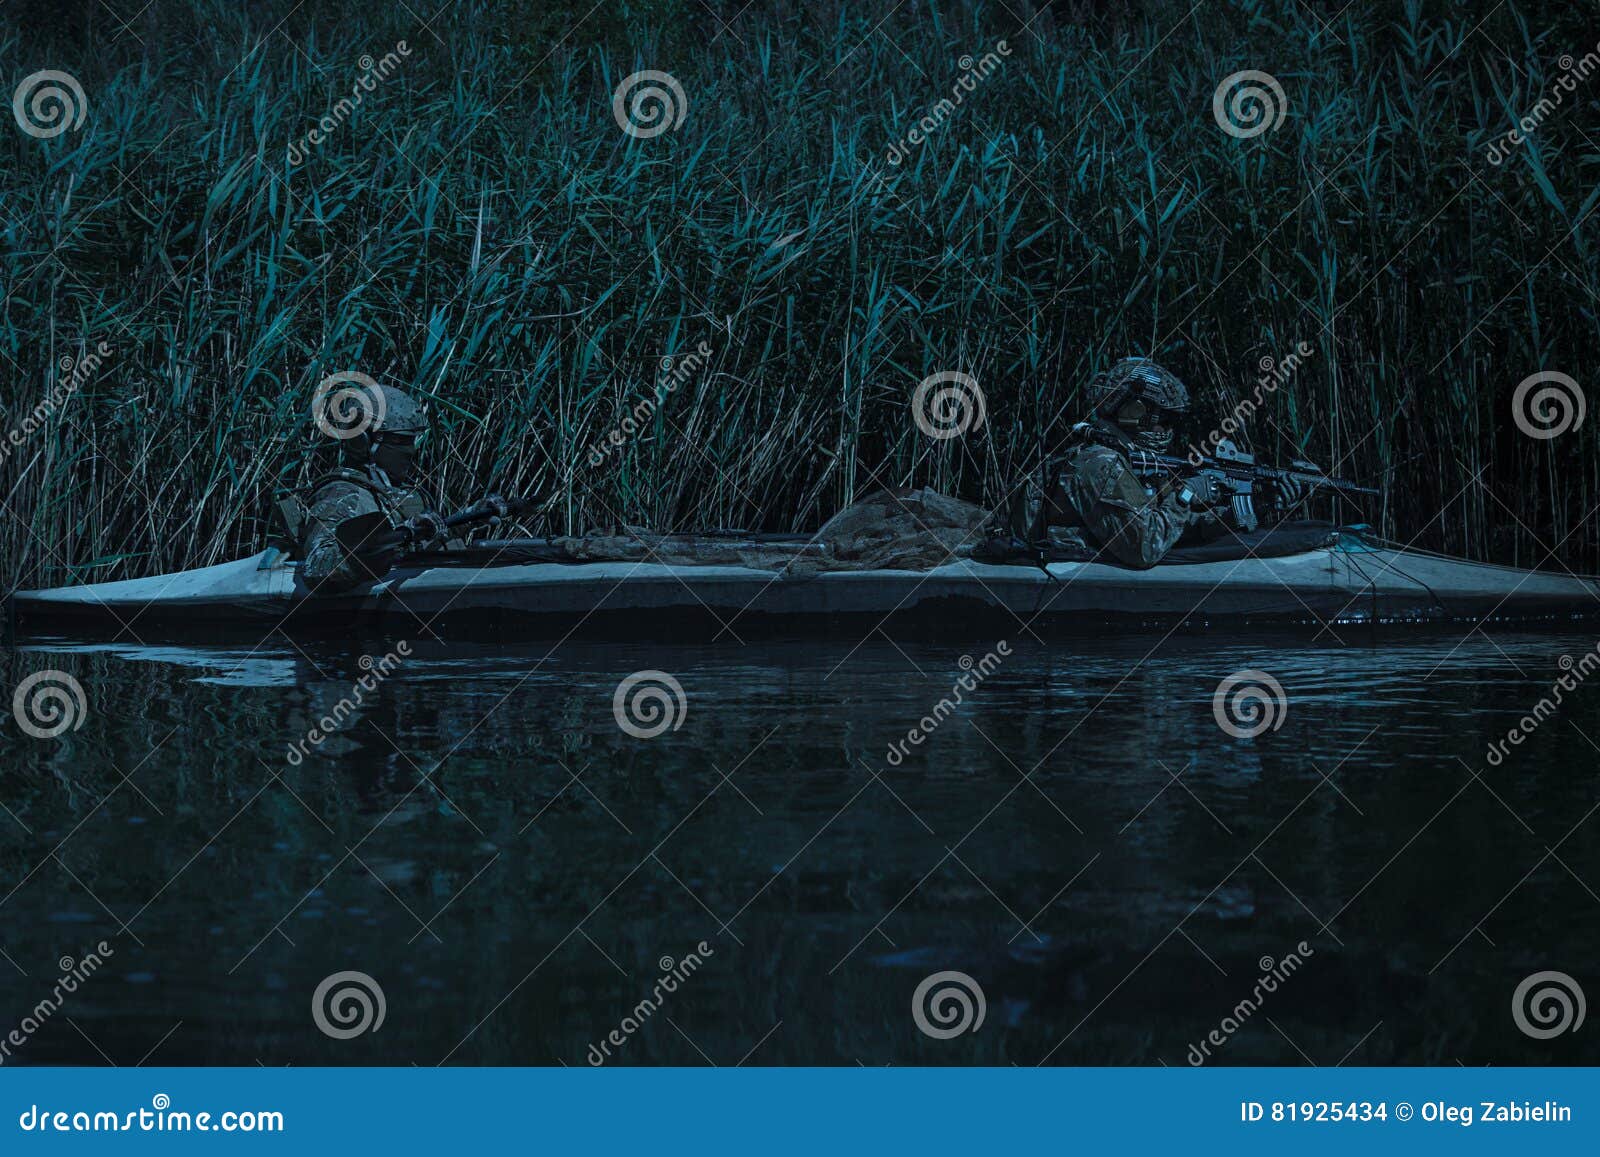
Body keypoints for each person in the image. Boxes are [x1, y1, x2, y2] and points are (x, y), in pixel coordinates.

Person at [1006, 358, 1311, 569]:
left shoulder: (1121, 458)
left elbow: (1169, 527)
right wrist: (1187, 495)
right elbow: (1145, 547)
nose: (1168, 431)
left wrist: (1253, 507)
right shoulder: (1101, 464)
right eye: (1162, 419)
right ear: (1133, 413)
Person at [279, 382, 453, 592]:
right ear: (362, 441)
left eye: (411, 441)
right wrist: (401, 535)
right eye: (399, 440)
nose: (409, 450)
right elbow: (319, 566)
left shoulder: (396, 494)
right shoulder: (345, 494)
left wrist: (464, 522)